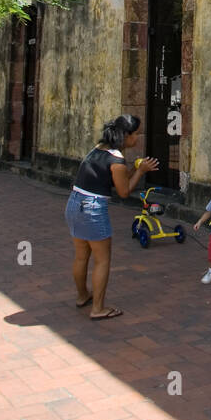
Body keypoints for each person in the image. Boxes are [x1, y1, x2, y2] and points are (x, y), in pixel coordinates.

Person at [65, 114, 158, 320]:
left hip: (74, 203)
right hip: (92, 209)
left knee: (81, 256)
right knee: (102, 260)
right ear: (126, 136)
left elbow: (112, 176)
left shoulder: (98, 148)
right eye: (136, 134)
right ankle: (98, 308)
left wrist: (133, 168)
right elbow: (124, 192)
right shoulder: (117, 160)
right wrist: (141, 171)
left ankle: (82, 296)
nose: (138, 138)